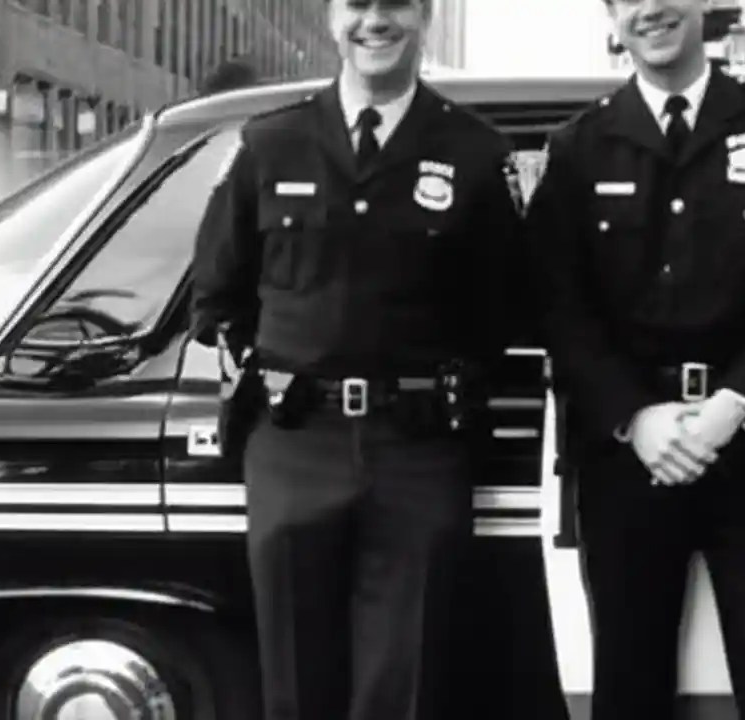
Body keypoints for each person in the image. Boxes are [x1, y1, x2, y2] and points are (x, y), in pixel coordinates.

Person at [190, 1, 525, 718]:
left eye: (395, 4)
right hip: (294, 442)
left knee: (404, 686)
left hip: (419, 446)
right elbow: (217, 297)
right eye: (357, 5)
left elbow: (501, 310)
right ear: (333, 16)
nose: (375, 21)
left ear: (425, 15)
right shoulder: (270, 143)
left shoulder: (475, 151)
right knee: (296, 683)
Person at [525, 1, 745, 719]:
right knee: (629, 684)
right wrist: (633, 417)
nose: (651, 9)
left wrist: (733, 407)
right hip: (629, 459)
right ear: (612, 16)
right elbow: (557, 304)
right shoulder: (581, 146)